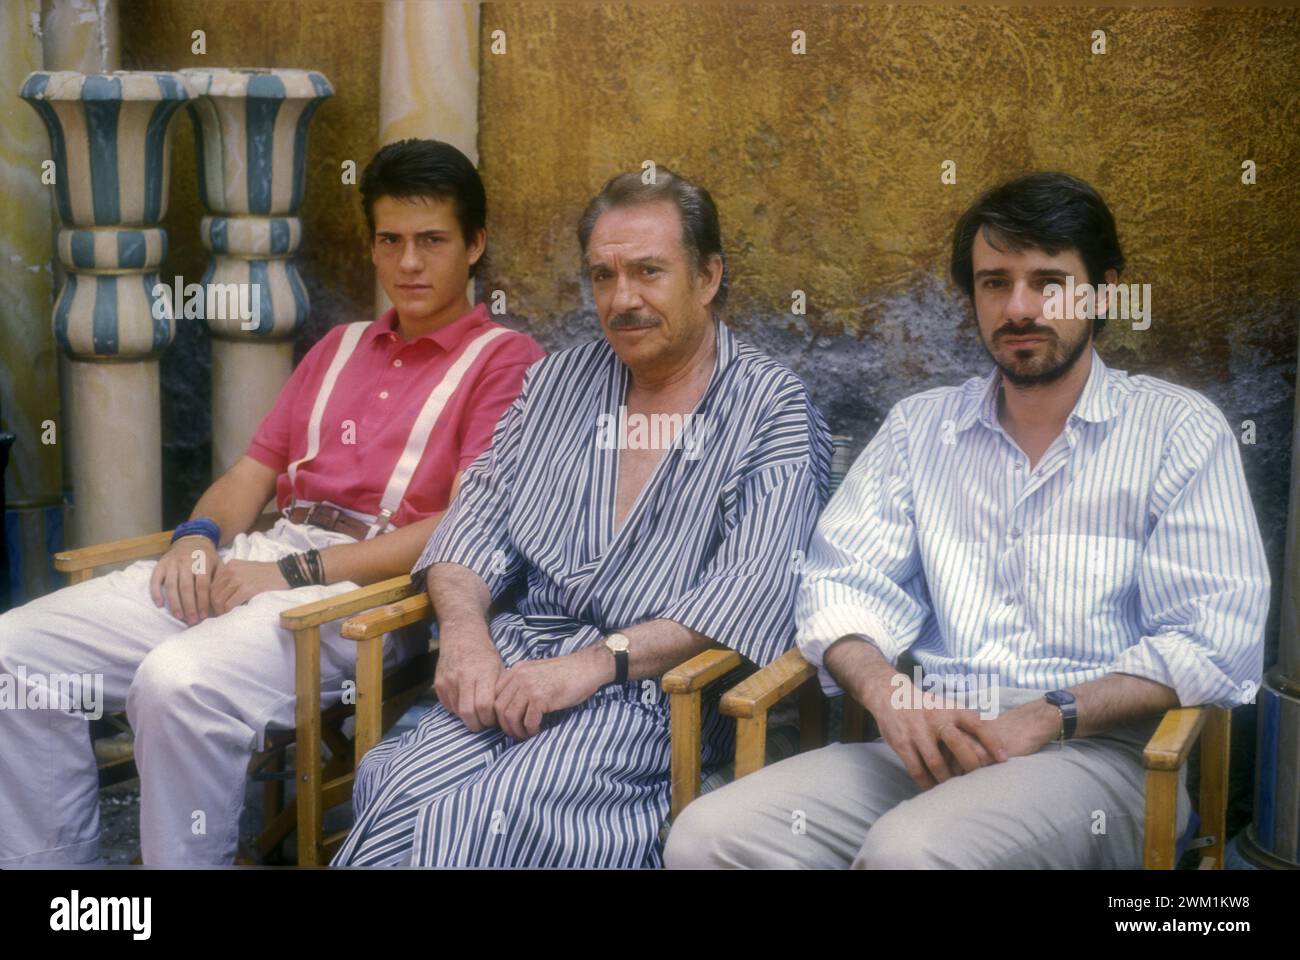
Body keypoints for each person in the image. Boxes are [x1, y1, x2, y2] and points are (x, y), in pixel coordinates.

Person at [665, 171, 1270, 869]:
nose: (1019, 307)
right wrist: (887, 692)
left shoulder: (1178, 431)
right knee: (708, 838)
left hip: (1100, 760)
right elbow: (841, 587)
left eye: (1049, 282)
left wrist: (1047, 715)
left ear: (1103, 290)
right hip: (933, 740)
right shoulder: (919, 430)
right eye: (993, 282)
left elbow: (1211, 635)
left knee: (911, 854)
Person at [0, 138, 544, 865]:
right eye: (390, 240)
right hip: (261, 557)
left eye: (432, 241)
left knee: (176, 685)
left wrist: (292, 579)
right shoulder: (340, 346)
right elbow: (252, 473)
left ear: (474, 245)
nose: (408, 263)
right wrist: (196, 535)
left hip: (365, 596)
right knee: (18, 654)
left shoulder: (506, 361)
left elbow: (460, 526)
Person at [332, 168, 832, 868]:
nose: (622, 299)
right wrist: (468, 634)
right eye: (604, 275)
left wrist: (595, 665)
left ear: (709, 276)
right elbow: (473, 522)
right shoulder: (557, 383)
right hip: (517, 666)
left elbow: (754, 587)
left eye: (648, 272)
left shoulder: (770, 409)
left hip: (660, 695)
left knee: (493, 815)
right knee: (395, 782)